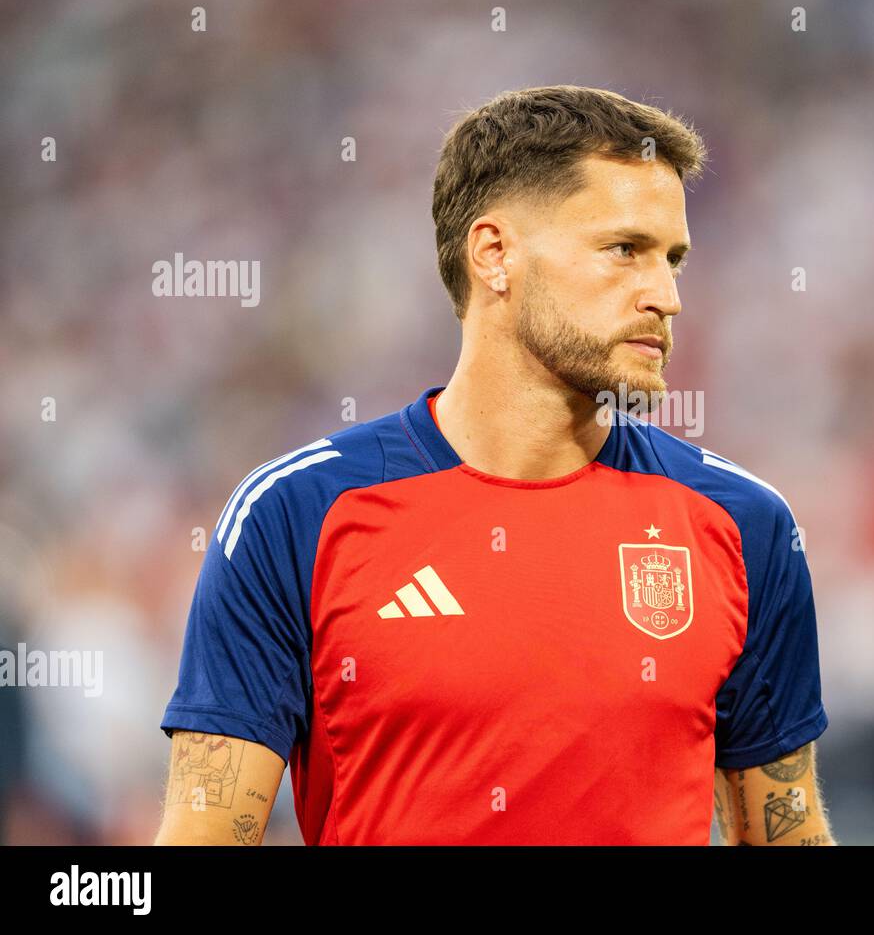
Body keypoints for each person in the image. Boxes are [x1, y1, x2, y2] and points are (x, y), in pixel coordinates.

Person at [155, 85, 833, 845]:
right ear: (495, 254)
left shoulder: (743, 525)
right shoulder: (297, 515)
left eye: (672, 259)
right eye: (625, 250)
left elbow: (786, 833)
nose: (667, 296)